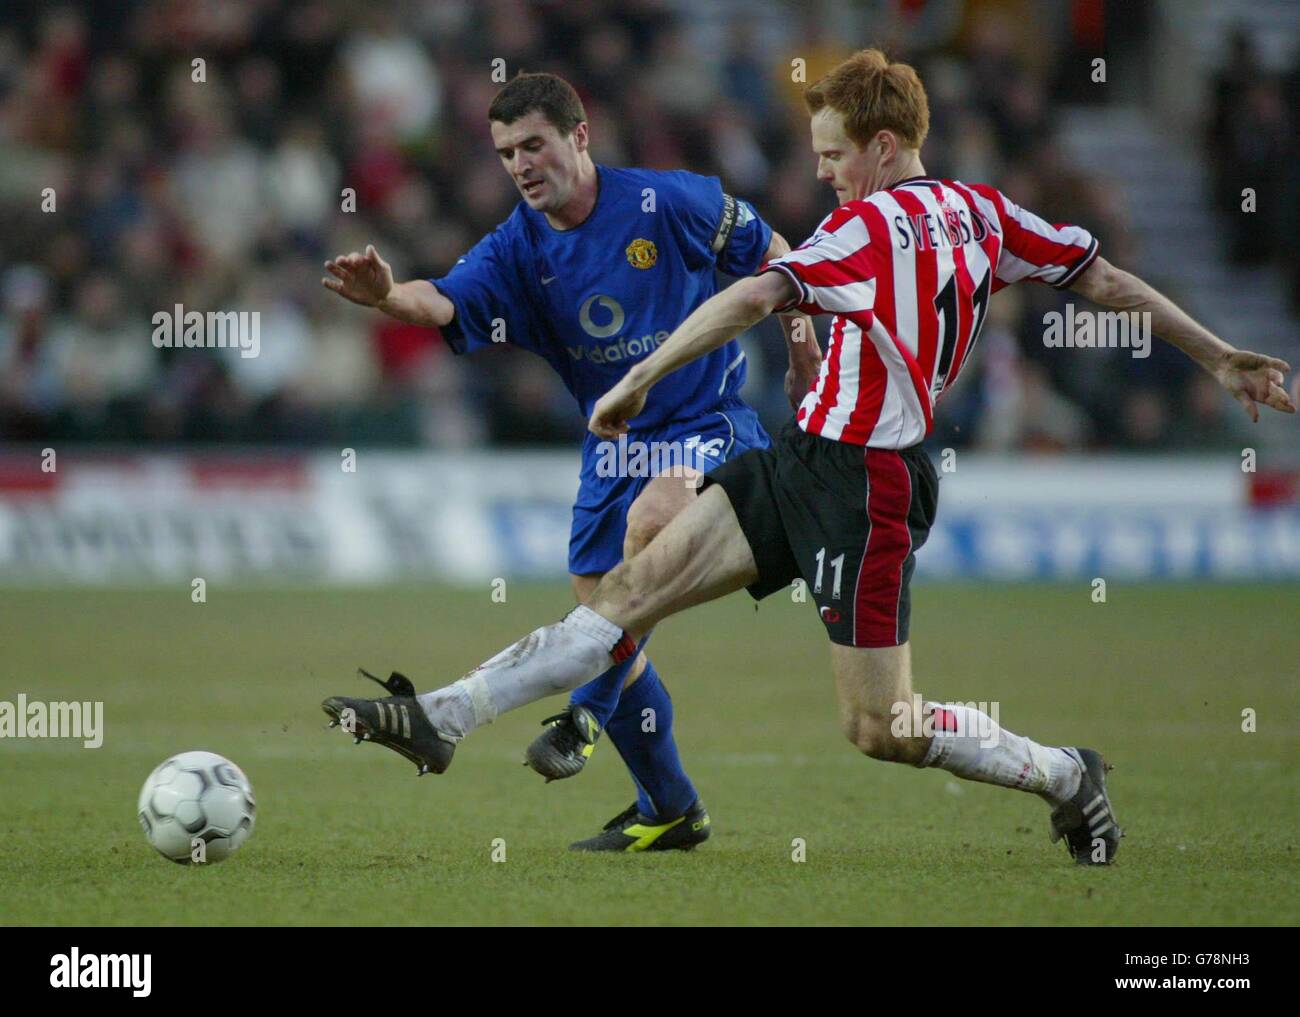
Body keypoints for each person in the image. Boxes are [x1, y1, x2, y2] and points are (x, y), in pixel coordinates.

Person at [323, 50, 1294, 864]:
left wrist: (634, 380)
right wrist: (1217, 356)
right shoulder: (987, 214)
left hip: (869, 485)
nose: (822, 171)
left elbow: (750, 295)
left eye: (833, 153)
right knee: (622, 596)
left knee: (882, 729)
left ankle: (1063, 773)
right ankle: (444, 718)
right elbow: (1108, 279)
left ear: (881, 147)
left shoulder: (862, 229)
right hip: (798, 460)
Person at [321, 72, 821, 851]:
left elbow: (777, 254)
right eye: (505, 152)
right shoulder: (516, 246)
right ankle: (672, 808)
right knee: (601, 617)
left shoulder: (669, 202)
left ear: (578, 137)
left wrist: (801, 351)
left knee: (649, 539)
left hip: (708, 423)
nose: (520, 165)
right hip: (612, 444)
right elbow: (448, 302)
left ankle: (578, 717)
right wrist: (388, 296)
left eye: (533, 145)